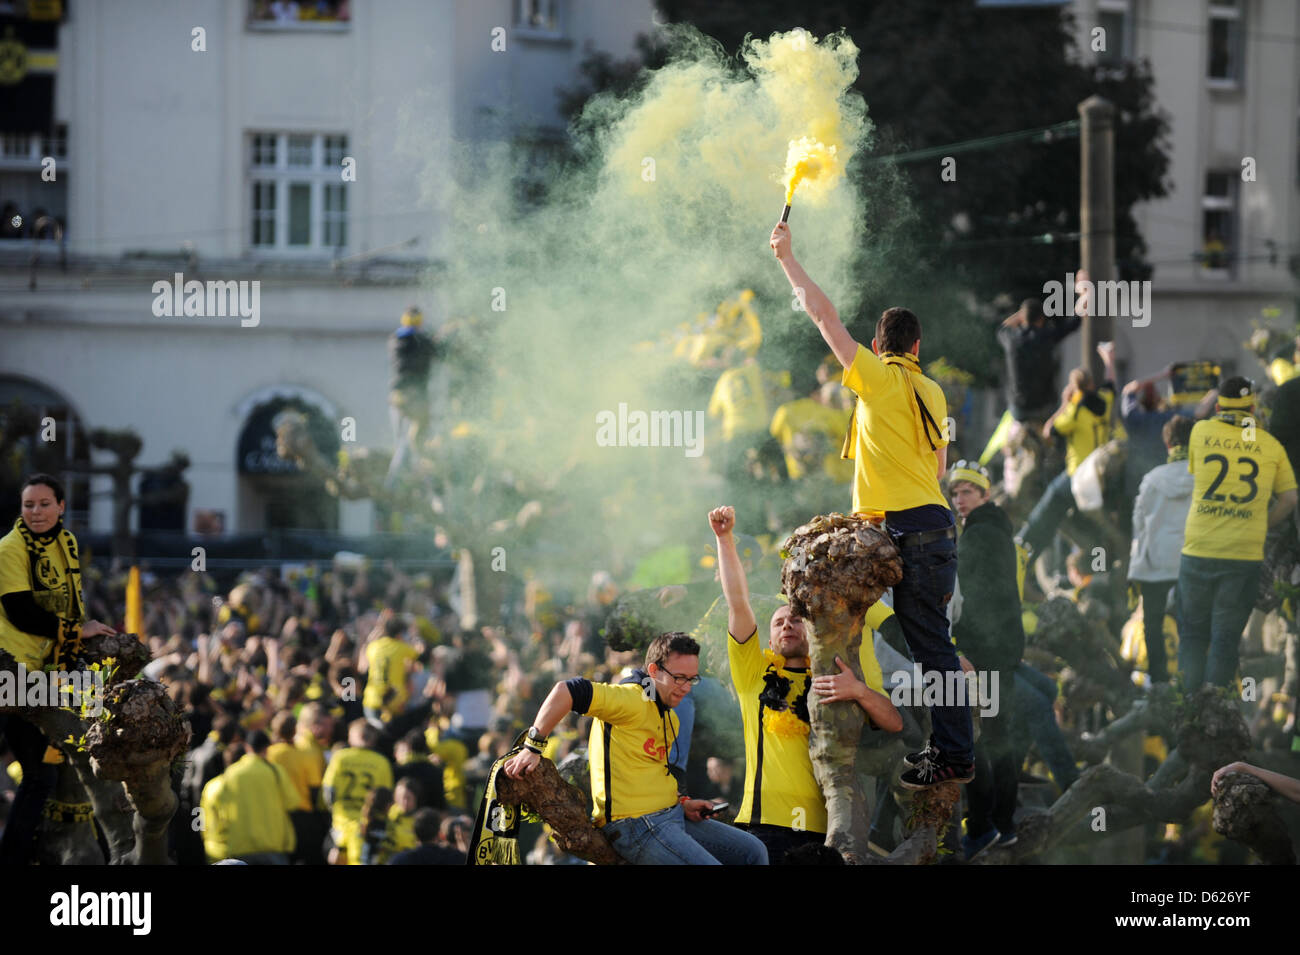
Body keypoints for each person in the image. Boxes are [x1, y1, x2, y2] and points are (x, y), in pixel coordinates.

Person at [770, 219, 973, 789]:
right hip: (936, 526)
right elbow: (936, 470)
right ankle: (949, 749)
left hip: (893, 529)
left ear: (879, 348)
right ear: (917, 347)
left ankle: (931, 749)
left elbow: (823, 316)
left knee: (845, 609)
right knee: (934, 646)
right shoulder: (931, 389)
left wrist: (787, 258)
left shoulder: (876, 377)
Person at [711, 505, 901, 863]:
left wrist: (857, 691)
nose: (787, 626)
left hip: (823, 830)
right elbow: (738, 603)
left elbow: (894, 722)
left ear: (813, 629)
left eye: (797, 620)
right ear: (768, 638)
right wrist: (725, 541)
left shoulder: (834, 673)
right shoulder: (754, 674)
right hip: (758, 824)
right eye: (779, 622)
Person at [503, 631, 768, 864]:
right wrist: (533, 747)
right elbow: (567, 690)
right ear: (653, 671)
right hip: (637, 825)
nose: (686, 688)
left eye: (692, 679)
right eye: (679, 678)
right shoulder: (631, 697)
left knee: (754, 851)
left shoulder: (669, 713)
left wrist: (683, 803)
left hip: (673, 815)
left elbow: (647, 771)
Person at [0, 473, 116, 864]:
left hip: (49, 673)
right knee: (37, 777)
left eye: (44, 504)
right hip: (14, 673)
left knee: (47, 774)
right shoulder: (9, 549)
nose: (35, 512)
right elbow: (21, 612)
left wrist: (79, 641)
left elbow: (68, 603)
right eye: (28, 505)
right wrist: (75, 632)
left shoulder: (66, 542)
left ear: (61, 507)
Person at [1177, 378, 1297, 688]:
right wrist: (1262, 523)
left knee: (1192, 634)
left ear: (1217, 407)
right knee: (1226, 638)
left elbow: (1196, 474)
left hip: (1200, 547)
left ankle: (1190, 707)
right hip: (1244, 552)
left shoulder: (1200, 433)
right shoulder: (1270, 445)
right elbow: (1290, 499)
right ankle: (1216, 707)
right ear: (1253, 407)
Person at [942, 461, 1025, 859]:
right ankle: (1004, 824)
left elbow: (972, 601)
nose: (959, 500)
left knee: (980, 739)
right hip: (1003, 651)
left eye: (967, 492)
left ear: (985, 495)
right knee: (999, 736)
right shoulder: (997, 531)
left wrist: (962, 648)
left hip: (984, 653)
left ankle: (983, 826)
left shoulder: (977, 536)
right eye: (955, 493)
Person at [1018, 352, 1118, 572]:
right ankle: (1097, 572)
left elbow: (1049, 430)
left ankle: (1022, 548)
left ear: (1074, 388)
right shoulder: (1103, 401)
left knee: (1046, 510)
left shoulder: (1076, 408)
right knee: (1092, 530)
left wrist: (1064, 402)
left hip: (1078, 475)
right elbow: (1111, 384)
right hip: (1099, 478)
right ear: (1092, 384)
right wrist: (1109, 360)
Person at [1128, 416, 1196, 685]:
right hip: (1190, 563)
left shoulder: (1151, 480)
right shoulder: (1204, 478)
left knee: (1152, 624)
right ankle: (1190, 682)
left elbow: (1138, 525)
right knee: (1191, 625)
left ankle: (1158, 682)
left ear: (1167, 443)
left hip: (1154, 564)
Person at [198, 731, 299, 864]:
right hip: (273, 847)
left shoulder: (226, 778)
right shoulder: (276, 772)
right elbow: (293, 803)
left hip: (238, 850)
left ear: (248, 747)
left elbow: (208, 818)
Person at [322, 719, 394, 862]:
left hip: (341, 825)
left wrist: (332, 812)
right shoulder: (382, 762)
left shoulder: (340, 757)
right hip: (368, 827)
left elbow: (329, 792)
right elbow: (386, 799)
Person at [386, 306, 439, 483]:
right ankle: (411, 480)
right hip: (415, 397)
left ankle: (398, 480)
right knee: (415, 441)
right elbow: (437, 351)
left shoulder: (396, 339)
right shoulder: (421, 341)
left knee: (401, 440)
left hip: (397, 396)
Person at [388, 807, 464, 864]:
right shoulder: (455, 858)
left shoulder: (400, 860)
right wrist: (462, 842)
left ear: (415, 833)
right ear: (439, 832)